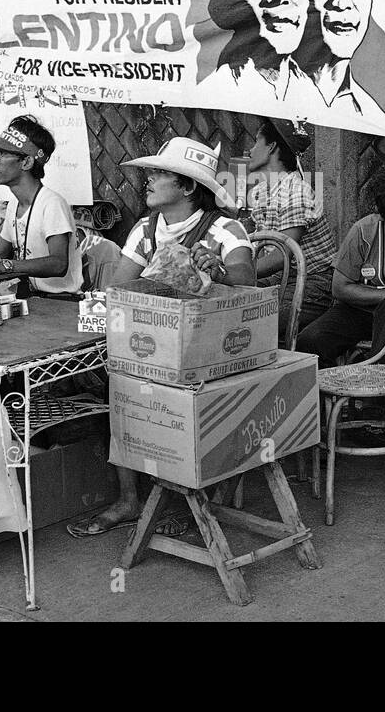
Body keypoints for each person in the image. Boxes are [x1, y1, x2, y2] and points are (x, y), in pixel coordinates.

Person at [68, 136, 254, 539]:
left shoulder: (225, 229)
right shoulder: (145, 230)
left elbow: (247, 284)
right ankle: (130, 498)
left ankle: (194, 498)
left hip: (213, 351)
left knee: (188, 399)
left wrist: (218, 270)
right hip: (155, 347)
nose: (147, 181)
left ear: (187, 187)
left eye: (158, 174)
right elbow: (117, 293)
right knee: (117, 386)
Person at [296, 164, 385, 365]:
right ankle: (335, 392)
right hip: (361, 311)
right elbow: (340, 288)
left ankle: (377, 388)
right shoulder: (364, 231)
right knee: (310, 341)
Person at [244, 116, 337, 338]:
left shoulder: (296, 191)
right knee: (230, 305)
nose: (250, 149)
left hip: (314, 282)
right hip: (284, 278)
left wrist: (240, 273)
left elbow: (281, 255)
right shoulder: (263, 191)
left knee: (253, 323)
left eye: (257, 142)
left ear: (271, 148)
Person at [0, 116, 83, 296]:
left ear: (27, 162)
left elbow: (58, 264)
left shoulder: (52, 204)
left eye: (3, 154)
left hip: (60, 302)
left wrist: (8, 265)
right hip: (33, 298)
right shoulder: (14, 204)